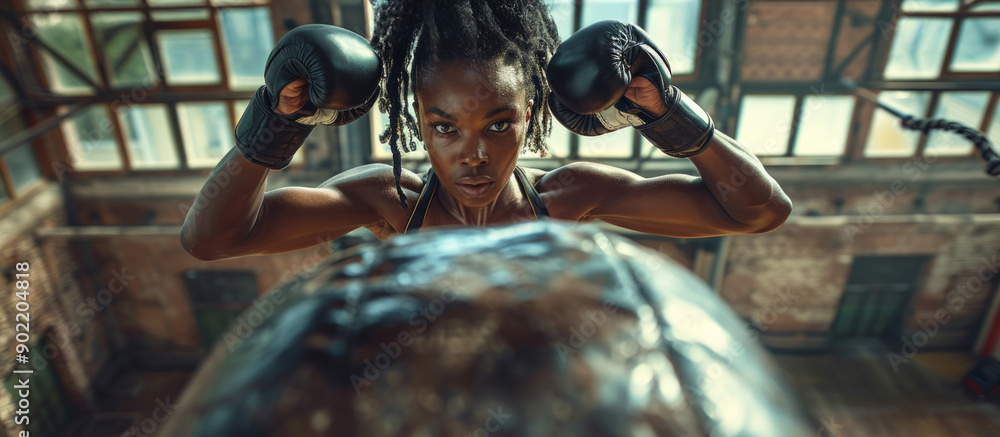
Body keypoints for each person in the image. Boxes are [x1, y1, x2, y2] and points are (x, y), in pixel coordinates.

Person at [179, 0, 792, 261]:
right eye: (444, 127)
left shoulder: (569, 196)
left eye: (498, 124)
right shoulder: (389, 202)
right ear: (416, 122)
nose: (472, 155)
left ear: (531, 116)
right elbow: (211, 240)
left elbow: (760, 213)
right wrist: (272, 128)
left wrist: (671, 115)